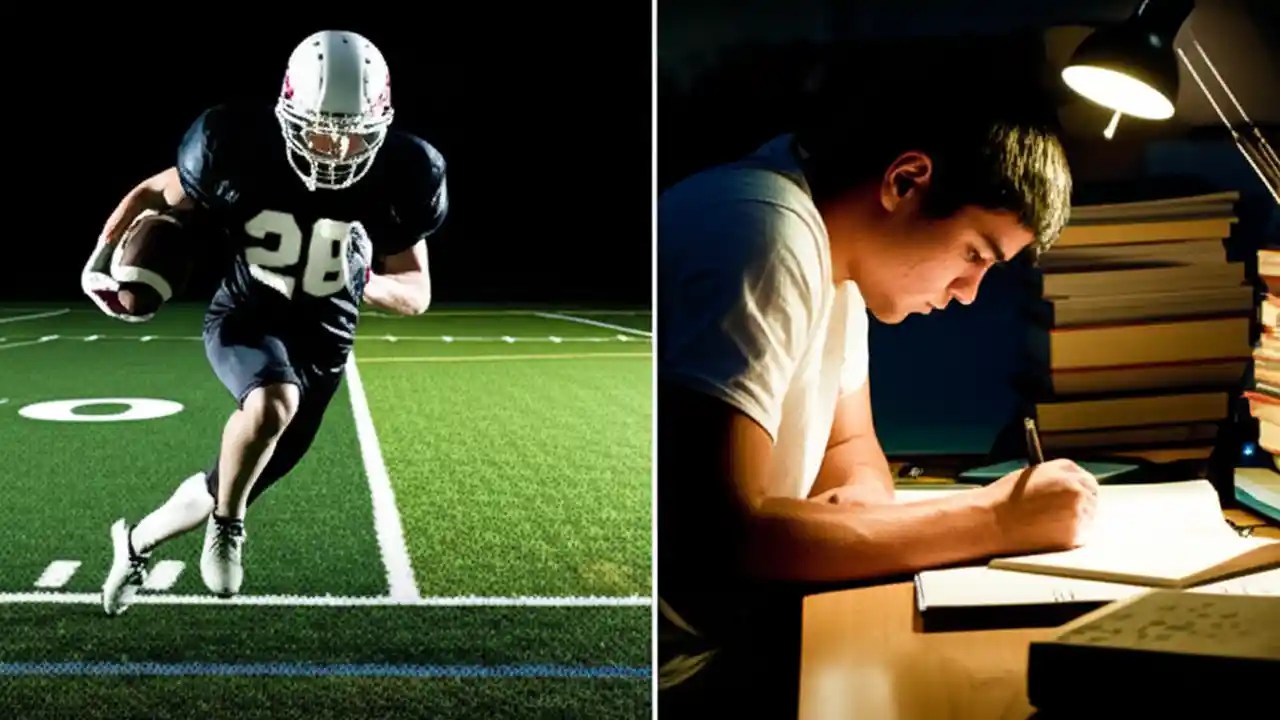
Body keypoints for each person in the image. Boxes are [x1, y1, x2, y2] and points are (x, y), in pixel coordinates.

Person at [656, 41, 1098, 691]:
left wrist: (861, 512)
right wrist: (996, 520)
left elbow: (851, 448)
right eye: (975, 253)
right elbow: (727, 533)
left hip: (715, 639)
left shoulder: (836, 263)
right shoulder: (766, 233)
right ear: (904, 182)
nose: (968, 292)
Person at [88, 29, 448, 615]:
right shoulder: (238, 143)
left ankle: (133, 545)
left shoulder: (404, 173)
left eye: (352, 134)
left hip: (323, 350)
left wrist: (364, 277)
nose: (335, 150)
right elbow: (157, 191)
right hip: (246, 317)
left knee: (221, 482)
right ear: (288, 112)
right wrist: (101, 258)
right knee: (272, 403)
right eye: (320, 130)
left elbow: (417, 291)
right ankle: (229, 527)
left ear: (380, 125)